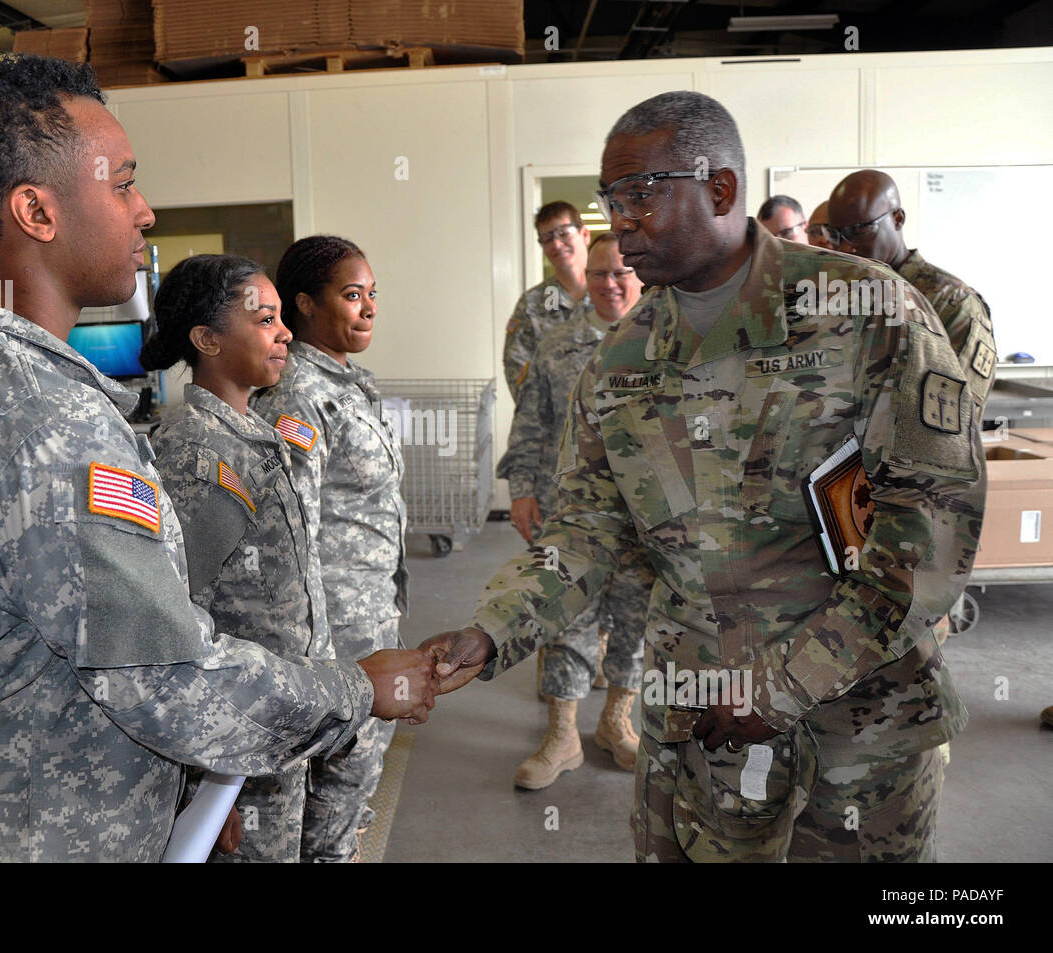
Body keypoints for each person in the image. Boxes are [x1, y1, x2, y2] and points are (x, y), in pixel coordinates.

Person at [0, 54, 436, 863]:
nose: (144, 211)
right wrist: (361, 686)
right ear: (36, 212)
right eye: (122, 184)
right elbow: (172, 677)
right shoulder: (43, 422)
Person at [422, 90, 985, 863]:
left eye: (638, 195)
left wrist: (785, 684)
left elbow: (931, 536)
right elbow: (585, 532)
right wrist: (490, 631)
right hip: (698, 728)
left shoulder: (868, 314)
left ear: (719, 188)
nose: (616, 222)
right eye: (608, 201)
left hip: (863, 728)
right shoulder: (619, 361)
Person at [139, 253, 339, 862]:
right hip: (235, 740)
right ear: (207, 340)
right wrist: (202, 784)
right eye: (264, 320)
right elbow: (175, 622)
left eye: (282, 318)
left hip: (279, 716)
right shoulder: (198, 452)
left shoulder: (256, 431)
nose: (284, 334)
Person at [252, 235, 409, 863]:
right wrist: (314, 657)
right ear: (306, 305)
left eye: (373, 294)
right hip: (335, 633)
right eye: (352, 295)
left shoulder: (346, 382)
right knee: (336, 787)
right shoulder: (300, 397)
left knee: (353, 782)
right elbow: (293, 534)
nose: (368, 308)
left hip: (369, 613)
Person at [497, 232, 653, 787]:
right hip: (572, 512)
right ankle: (562, 736)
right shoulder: (557, 345)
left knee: (635, 621)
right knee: (567, 615)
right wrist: (521, 489)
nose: (611, 284)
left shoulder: (670, 339)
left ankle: (617, 722)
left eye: (621, 272)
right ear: (585, 278)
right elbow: (531, 424)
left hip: (645, 515)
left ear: (639, 273)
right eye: (599, 274)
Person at [826, 169, 996, 406]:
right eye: (835, 234)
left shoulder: (953, 302)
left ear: (897, 219)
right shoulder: (844, 296)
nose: (844, 247)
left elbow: (957, 412)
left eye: (858, 231)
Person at [504, 201, 593, 403]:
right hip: (554, 427)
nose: (556, 244)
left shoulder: (613, 292)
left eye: (564, 233)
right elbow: (517, 368)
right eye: (547, 238)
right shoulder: (533, 303)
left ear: (584, 234)